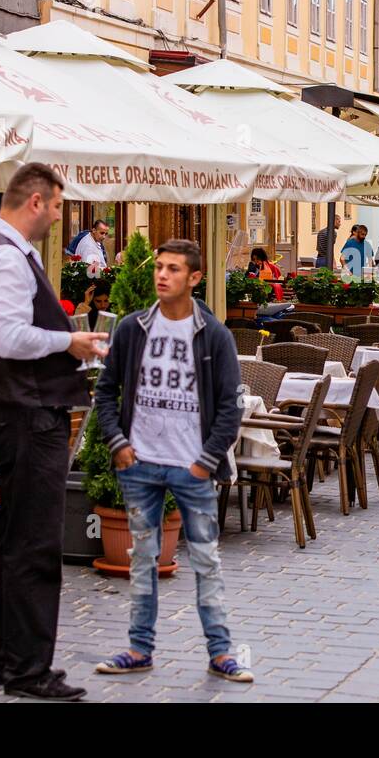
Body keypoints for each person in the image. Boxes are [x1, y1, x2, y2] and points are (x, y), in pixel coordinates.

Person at [0, 163, 107, 701]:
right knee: (35, 543)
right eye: (57, 206)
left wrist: (72, 344)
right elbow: (6, 338)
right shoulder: (4, 257)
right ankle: (28, 670)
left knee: (16, 538)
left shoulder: (5, 253)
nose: (58, 217)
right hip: (25, 415)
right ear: (36, 202)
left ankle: (9, 659)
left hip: (21, 411)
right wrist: (68, 343)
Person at [92, 238, 253, 684]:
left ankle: (221, 653)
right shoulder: (132, 328)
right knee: (142, 559)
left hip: (191, 466)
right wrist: (118, 443)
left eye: (174, 269)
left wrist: (204, 461)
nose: (162, 275)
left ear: (195, 278)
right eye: (159, 267)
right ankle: (138, 649)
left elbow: (229, 406)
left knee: (206, 560)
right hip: (140, 464)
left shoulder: (213, 334)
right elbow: (106, 392)